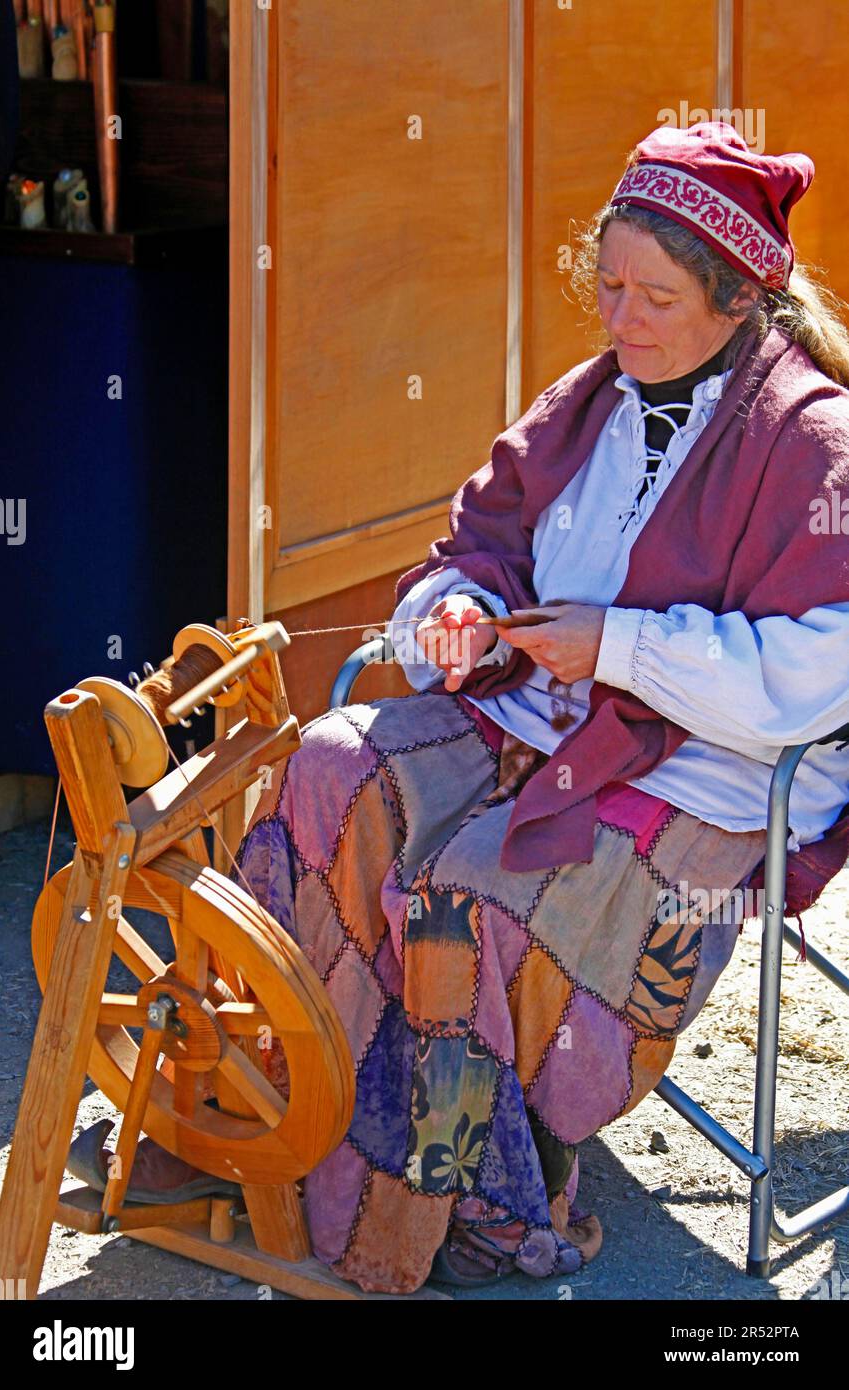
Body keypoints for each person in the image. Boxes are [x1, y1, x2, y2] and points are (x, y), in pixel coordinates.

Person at [235, 120, 849, 1295]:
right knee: (329, 764)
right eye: (608, 286)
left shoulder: (812, 443)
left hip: (700, 776)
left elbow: (814, 681)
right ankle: (300, 1098)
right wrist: (457, 617)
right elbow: (470, 552)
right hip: (539, 721)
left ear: (735, 297)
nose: (620, 319)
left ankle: (462, 1182)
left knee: (466, 900)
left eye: (654, 295)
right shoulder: (591, 403)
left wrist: (614, 645)